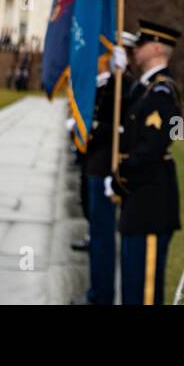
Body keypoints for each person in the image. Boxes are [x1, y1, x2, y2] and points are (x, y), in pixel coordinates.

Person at [108, 20, 182, 305]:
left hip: (150, 199)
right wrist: (121, 74)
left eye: (139, 45)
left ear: (154, 48)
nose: (134, 50)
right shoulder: (147, 87)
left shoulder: (163, 92)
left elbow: (151, 149)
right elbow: (127, 108)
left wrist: (119, 177)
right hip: (139, 199)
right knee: (131, 283)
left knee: (145, 290)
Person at [77, 33, 135, 304]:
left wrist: (169, 144)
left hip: (147, 181)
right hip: (100, 166)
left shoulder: (160, 88)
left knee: (139, 258)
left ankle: (103, 296)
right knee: (102, 238)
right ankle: (99, 294)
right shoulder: (116, 84)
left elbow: (176, 126)